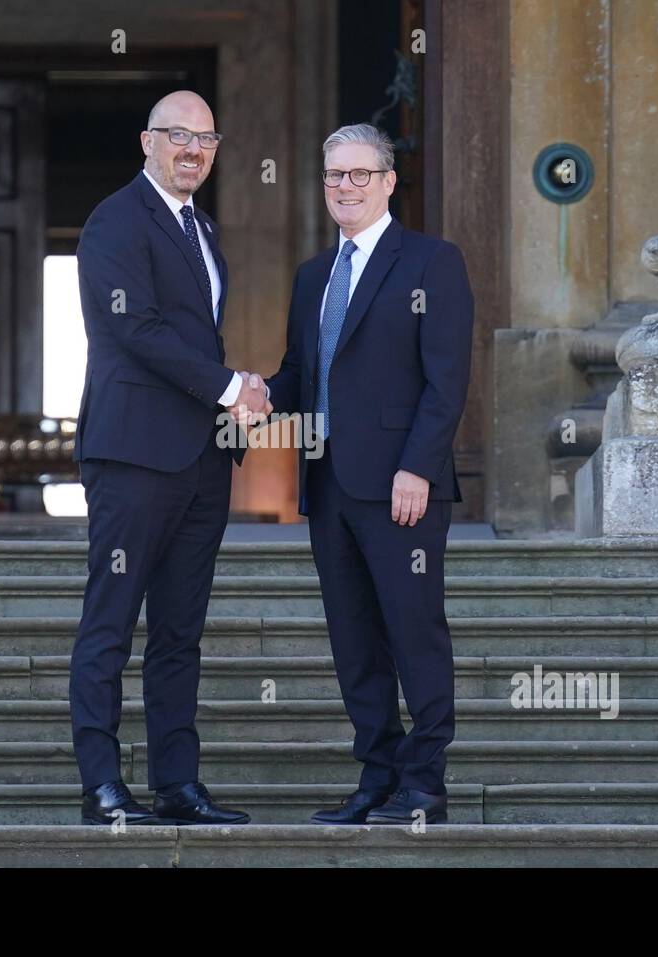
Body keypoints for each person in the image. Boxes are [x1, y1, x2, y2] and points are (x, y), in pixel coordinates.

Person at [263, 123, 474, 825]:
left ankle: (426, 782)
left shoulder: (431, 263)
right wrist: (238, 401)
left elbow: (446, 382)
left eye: (359, 174)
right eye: (334, 177)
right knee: (354, 642)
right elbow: (300, 376)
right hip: (327, 486)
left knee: (414, 633)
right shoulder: (312, 277)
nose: (345, 187)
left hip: (400, 488)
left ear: (388, 182)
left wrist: (418, 466)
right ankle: (377, 775)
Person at [70, 90, 269, 826]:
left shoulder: (200, 226)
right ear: (146, 142)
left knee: (180, 631)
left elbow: (191, 334)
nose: (193, 149)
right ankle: (101, 786)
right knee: (111, 623)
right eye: (178, 135)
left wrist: (237, 394)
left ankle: (178, 784)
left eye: (206, 139)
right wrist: (230, 388)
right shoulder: (115, 220)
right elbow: (138, 331)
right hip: (132, 456)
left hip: (200, 459)